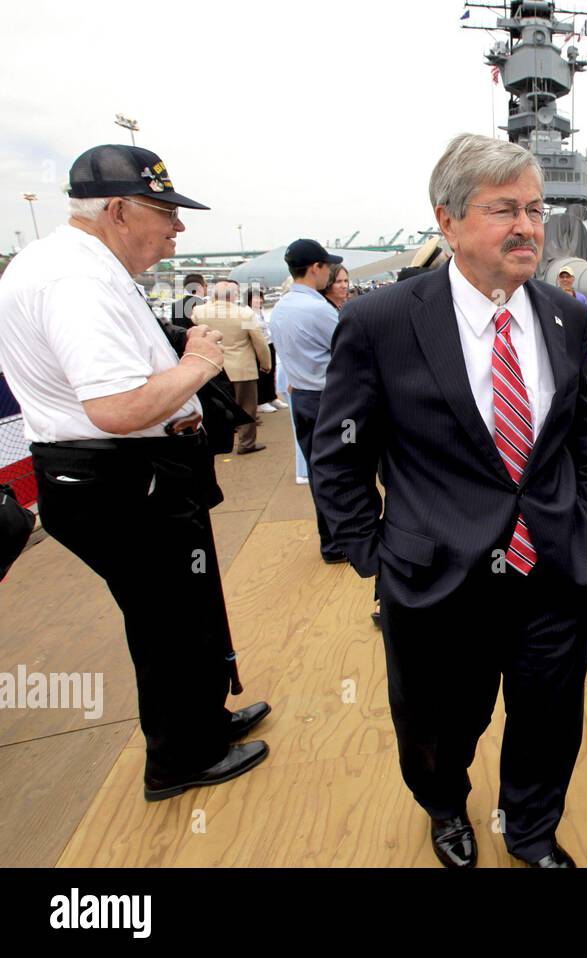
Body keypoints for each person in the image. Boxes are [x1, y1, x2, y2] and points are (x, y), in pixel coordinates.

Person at [310, 133, 587, 869]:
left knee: (548, 718)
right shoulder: (381, 323)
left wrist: (582, 521)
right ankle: (444, 807)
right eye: (504, 209)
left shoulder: (565, 315)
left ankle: (531, 831)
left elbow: (579, 437)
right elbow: (339, 455)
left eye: (536, 209)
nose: (528, 226)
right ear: (446, 222)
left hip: (551, 571)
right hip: (437, 576)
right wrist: (372, 554)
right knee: (440, 723)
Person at [0, 144, 270, 800]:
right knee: (169, 622)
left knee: (185, 612)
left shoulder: (75, 266)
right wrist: (199, 364)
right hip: (120, 482)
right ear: (117, 210)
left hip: (128, 477)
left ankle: (204, 720)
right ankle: (182, 759)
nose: (178, 227)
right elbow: (117, 407)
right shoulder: (76, 279)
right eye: (165, 212)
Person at [270, 238, 347, 564]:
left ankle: (330, 541)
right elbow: (349, 347)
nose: (329, 274)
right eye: (327, 267)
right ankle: (344, 541)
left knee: (319, 472)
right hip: (326, 399)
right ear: (315, 268)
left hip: (301, 396)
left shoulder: (282, 307)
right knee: (340, 471)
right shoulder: (317, 309)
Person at [193, 279, 271, 455]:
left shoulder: (199, 312)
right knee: (247, 407)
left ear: (214, 295)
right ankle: (246, 443)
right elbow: (259, 341)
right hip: (242, 367)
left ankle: (217, 444)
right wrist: (265, 363)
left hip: (213, 367)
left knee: (215, 407)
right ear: (235, 296)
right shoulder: (244, 314)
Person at [248, 288, 286, 414]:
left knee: (271, 372)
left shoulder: (262, 311)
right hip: (257, 347)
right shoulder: (246, 313)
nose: (259, 300)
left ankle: (272, 397)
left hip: (269, 344)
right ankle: (261, 401)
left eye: (260, 297)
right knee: (262, 374)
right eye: (255, 298)